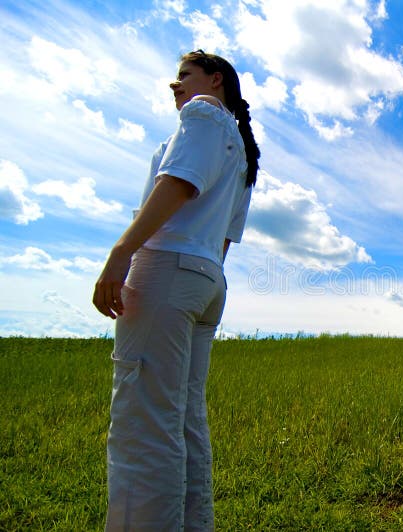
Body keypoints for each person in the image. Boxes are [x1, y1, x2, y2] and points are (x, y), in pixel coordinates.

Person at [92, 50, 260, 531]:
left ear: (216, 79)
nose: (175, 84)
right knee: (185, 419)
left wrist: (122, 252)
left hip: (168, 271)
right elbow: (225, 239)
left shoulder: (204, 115)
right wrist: (201, 278)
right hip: (206, 280)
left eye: (185, 74)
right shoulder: (242, 152)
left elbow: (179, 183)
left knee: (143, 423)